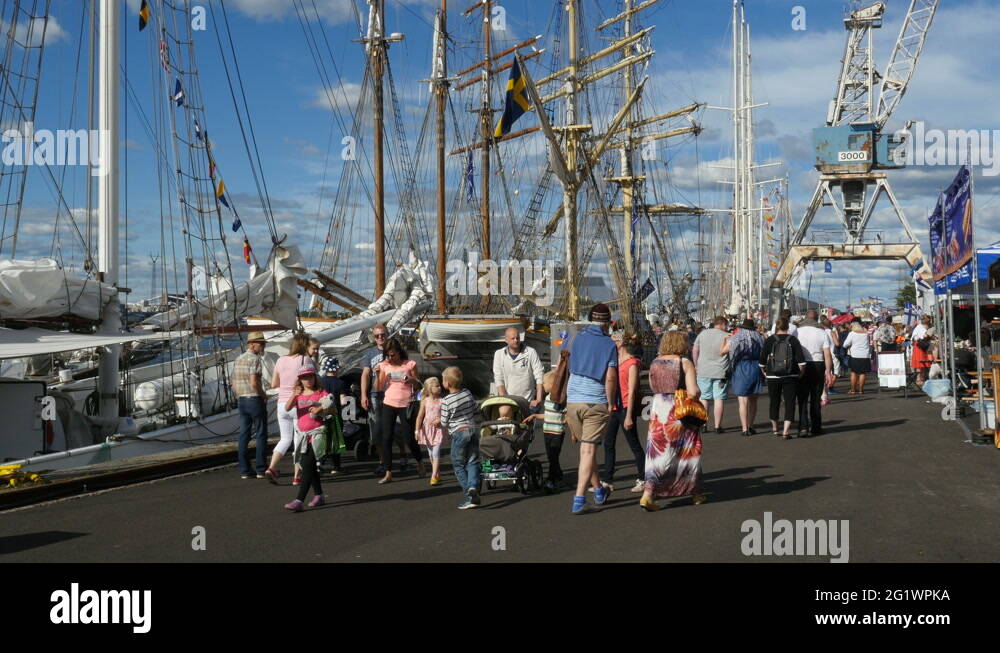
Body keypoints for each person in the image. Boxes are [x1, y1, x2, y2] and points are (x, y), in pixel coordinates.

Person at [639, 330, 705, 511]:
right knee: (689, 450)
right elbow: (693, 391)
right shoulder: (684, 363)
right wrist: (697, 394)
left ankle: (648, 494)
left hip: (659, 409)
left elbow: (653, 387)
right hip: (679, 410)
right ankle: (695, 493)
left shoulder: (655, 363)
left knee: (658, 453)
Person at [565, 303, 618, 514]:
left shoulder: (576, 337)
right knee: (588, 449)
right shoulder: (609, 345)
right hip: (594, 401)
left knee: (588, 449)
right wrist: (611, 401)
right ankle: (579, 499)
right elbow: (611, 378)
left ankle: (598, 491)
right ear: (607, 323)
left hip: (573, 400)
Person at [373, 336, 425, 484]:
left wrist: (410, 380)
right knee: (386, 438)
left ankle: (419, 461)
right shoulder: (384, 365)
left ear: (399, 352)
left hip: (406, 403)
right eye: (387, 355)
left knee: (409, 438)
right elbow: (378, 387)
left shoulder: (410, 364)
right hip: (389, 402)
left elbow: (419, 385)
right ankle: (389, 472)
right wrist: (378, 374)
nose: (390, 357)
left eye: (392, 354)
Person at [283, 365, 335, 512]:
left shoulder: (320, 392)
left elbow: (332, 406)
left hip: (318, 433)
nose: (308, 380)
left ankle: (299, 500)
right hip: (302, 435)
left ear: (315, 377)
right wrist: (294, 394)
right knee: (309, 467)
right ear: (300, 379)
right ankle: (319, 495)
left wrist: (319, 409)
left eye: (310, 376)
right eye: (304, 377)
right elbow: (287, 408)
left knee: (307, 466)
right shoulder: (299, 394)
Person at [266, 333, 312, 484]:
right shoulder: (305, 360)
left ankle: (271, 467)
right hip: (299, 404)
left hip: (282, 404)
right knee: (299, 441)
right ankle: (297, 476)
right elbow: (313, 381)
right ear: (305, 345)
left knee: (285, 439)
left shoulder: (281, 360)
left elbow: (274, 384)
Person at [600, 331, 644, 492]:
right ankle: (607, 480)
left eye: (612, 341)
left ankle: (643, 478)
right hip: (614, 407)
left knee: (634, 444)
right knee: (608, 443)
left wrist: (629, 416)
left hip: (626, 407)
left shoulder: (632, 363)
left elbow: (632, 391)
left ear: (619, 343)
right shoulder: (614, 361)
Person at [440, 366, 481, 509]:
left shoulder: (446, 401)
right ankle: (473, 486)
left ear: (448, 383)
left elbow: (444, 422)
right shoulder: (467, 393)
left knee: (458, 464)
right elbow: (476, 409)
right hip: (472, 429)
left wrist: (438, 421)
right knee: (473, 461)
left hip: (458, 433)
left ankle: (469, 495)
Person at [760, 317, 807, 439]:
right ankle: (786, 431)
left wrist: (764, 371)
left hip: (772, 374)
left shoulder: (770, 340)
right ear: (787, 327)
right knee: (790, 402)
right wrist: (801, 373)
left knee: (774, 401)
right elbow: (801, 361)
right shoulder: (793, 340)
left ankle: (775, 428)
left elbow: (762, 359)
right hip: (790, 375)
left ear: (776, 327)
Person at [232, 332, 268, 479]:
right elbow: (254, 382)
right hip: (254, 399)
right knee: (261, 434)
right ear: (252, 344)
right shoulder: (255, 359)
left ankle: (245, 470)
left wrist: (240, 393)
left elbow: (233, 383)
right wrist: (263, 394)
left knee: (244, 435)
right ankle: (260, 469)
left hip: (242, 399)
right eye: (261, 343)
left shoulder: (238, 359)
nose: (263, 346)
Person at [523, 370, 566, 491]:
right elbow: (548, 415)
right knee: (551, 456)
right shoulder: (547, 399)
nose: (543, 386)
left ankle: (551, 479)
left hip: (557, 433)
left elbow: (567, 415)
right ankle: (558, 475)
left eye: (545, 383)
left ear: (553, 385)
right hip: (547, 431)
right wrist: (535, 416)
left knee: (553, 456)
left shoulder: (561, 400)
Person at [722, 318, 765, 437]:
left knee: (742, 401)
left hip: (741, 367)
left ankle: (744, 428)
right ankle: (751, 425)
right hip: (756, 367)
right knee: (753, 400)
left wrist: (725, 339)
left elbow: (724, 351)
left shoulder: (736, 337)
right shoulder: (760, 337)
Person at [795, 309, 835, 437]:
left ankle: (803, 427)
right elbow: (827, 355)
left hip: (801, 365)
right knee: (815, 398)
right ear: (817, 319)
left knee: (802, 398)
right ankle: (816, 427)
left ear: (805, 317)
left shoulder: (797, 332)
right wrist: (828, 372)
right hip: (818, 365)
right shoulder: (822, 332)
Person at [492, 326, 545, 417]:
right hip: (509, 399)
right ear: (506, 340)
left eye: (518, 338)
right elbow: (498, 378)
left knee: (526, 428)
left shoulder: (530, 352)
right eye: (513, 338)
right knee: (504, 413)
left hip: (527, 401)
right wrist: (506, 400)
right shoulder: (499, 354)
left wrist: (539, 399)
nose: (516, 340)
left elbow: (539, 375)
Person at [692, 315, 730, 433]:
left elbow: (695, 350)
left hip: (704, 370)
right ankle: (717, 426)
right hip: (721, 371)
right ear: (722, 324)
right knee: (719, 398)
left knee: (704, 398)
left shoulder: (702, 334)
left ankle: (703, 424)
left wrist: (696, 365)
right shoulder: (727, 336)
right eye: (726, 325)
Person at [414, 377, 446, 485]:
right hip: (427, 429)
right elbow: (419, 417)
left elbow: (447, 415)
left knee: (436, 451)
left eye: (439, 385)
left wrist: (441, 420)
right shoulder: (425, 401)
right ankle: (437, 472)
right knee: (431, 454)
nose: (439, 387)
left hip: (438, 429)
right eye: (436, 386)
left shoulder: (443, 401)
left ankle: (433, 476)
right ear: (429, 388)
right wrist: (417, 431)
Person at [320, 355, 347, 474]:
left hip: (322, 415)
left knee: (322, 439)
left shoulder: (320, 382)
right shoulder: (340, 383)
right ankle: (335, 467)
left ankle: (319, 463)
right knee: (336, 440)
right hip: (335, 415)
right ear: (336, 369)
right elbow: (343, 401)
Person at [843, 322, 872, 394]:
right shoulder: (866, 333)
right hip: (865, 355)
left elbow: (845, 344)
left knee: (854, 373)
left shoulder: (852, 333)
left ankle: (853, 390)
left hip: (855, 355)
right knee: (863, 373)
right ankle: (861, 390)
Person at [910, 316, 935, 387]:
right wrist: (931, 336)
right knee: (921, 364)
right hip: (920, 347)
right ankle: (920, 380)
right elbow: (924, 336)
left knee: (921, 364)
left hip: (919, 346)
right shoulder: (921, 328)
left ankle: (920, 379)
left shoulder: (918, 327)